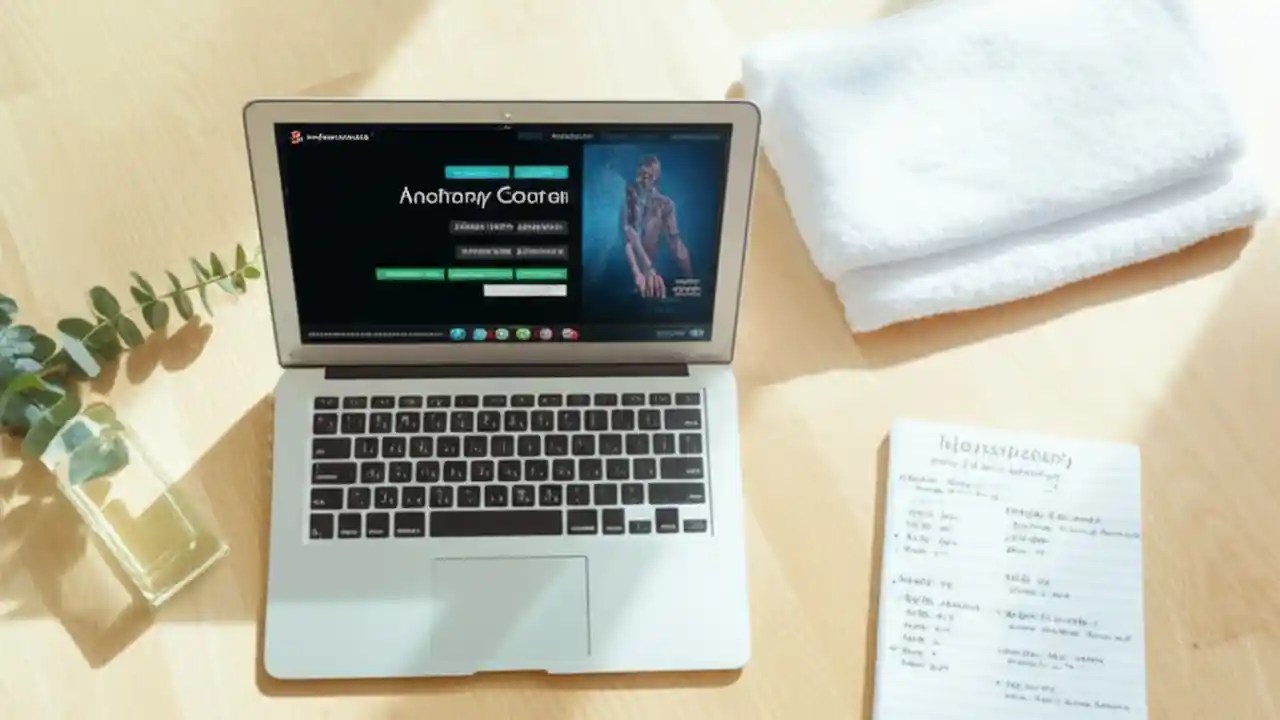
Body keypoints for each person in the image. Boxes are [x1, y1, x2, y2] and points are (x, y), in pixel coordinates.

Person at [621, 155, 692, 298]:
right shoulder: (629, 201)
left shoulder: (666, 205)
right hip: (633, 271)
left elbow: (675, 244)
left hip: (651, 272)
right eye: (639, 176)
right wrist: (643, 270)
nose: (640, 181)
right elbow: (630, 240)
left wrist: (690, 281)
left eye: (646, 176)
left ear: (655, 178)